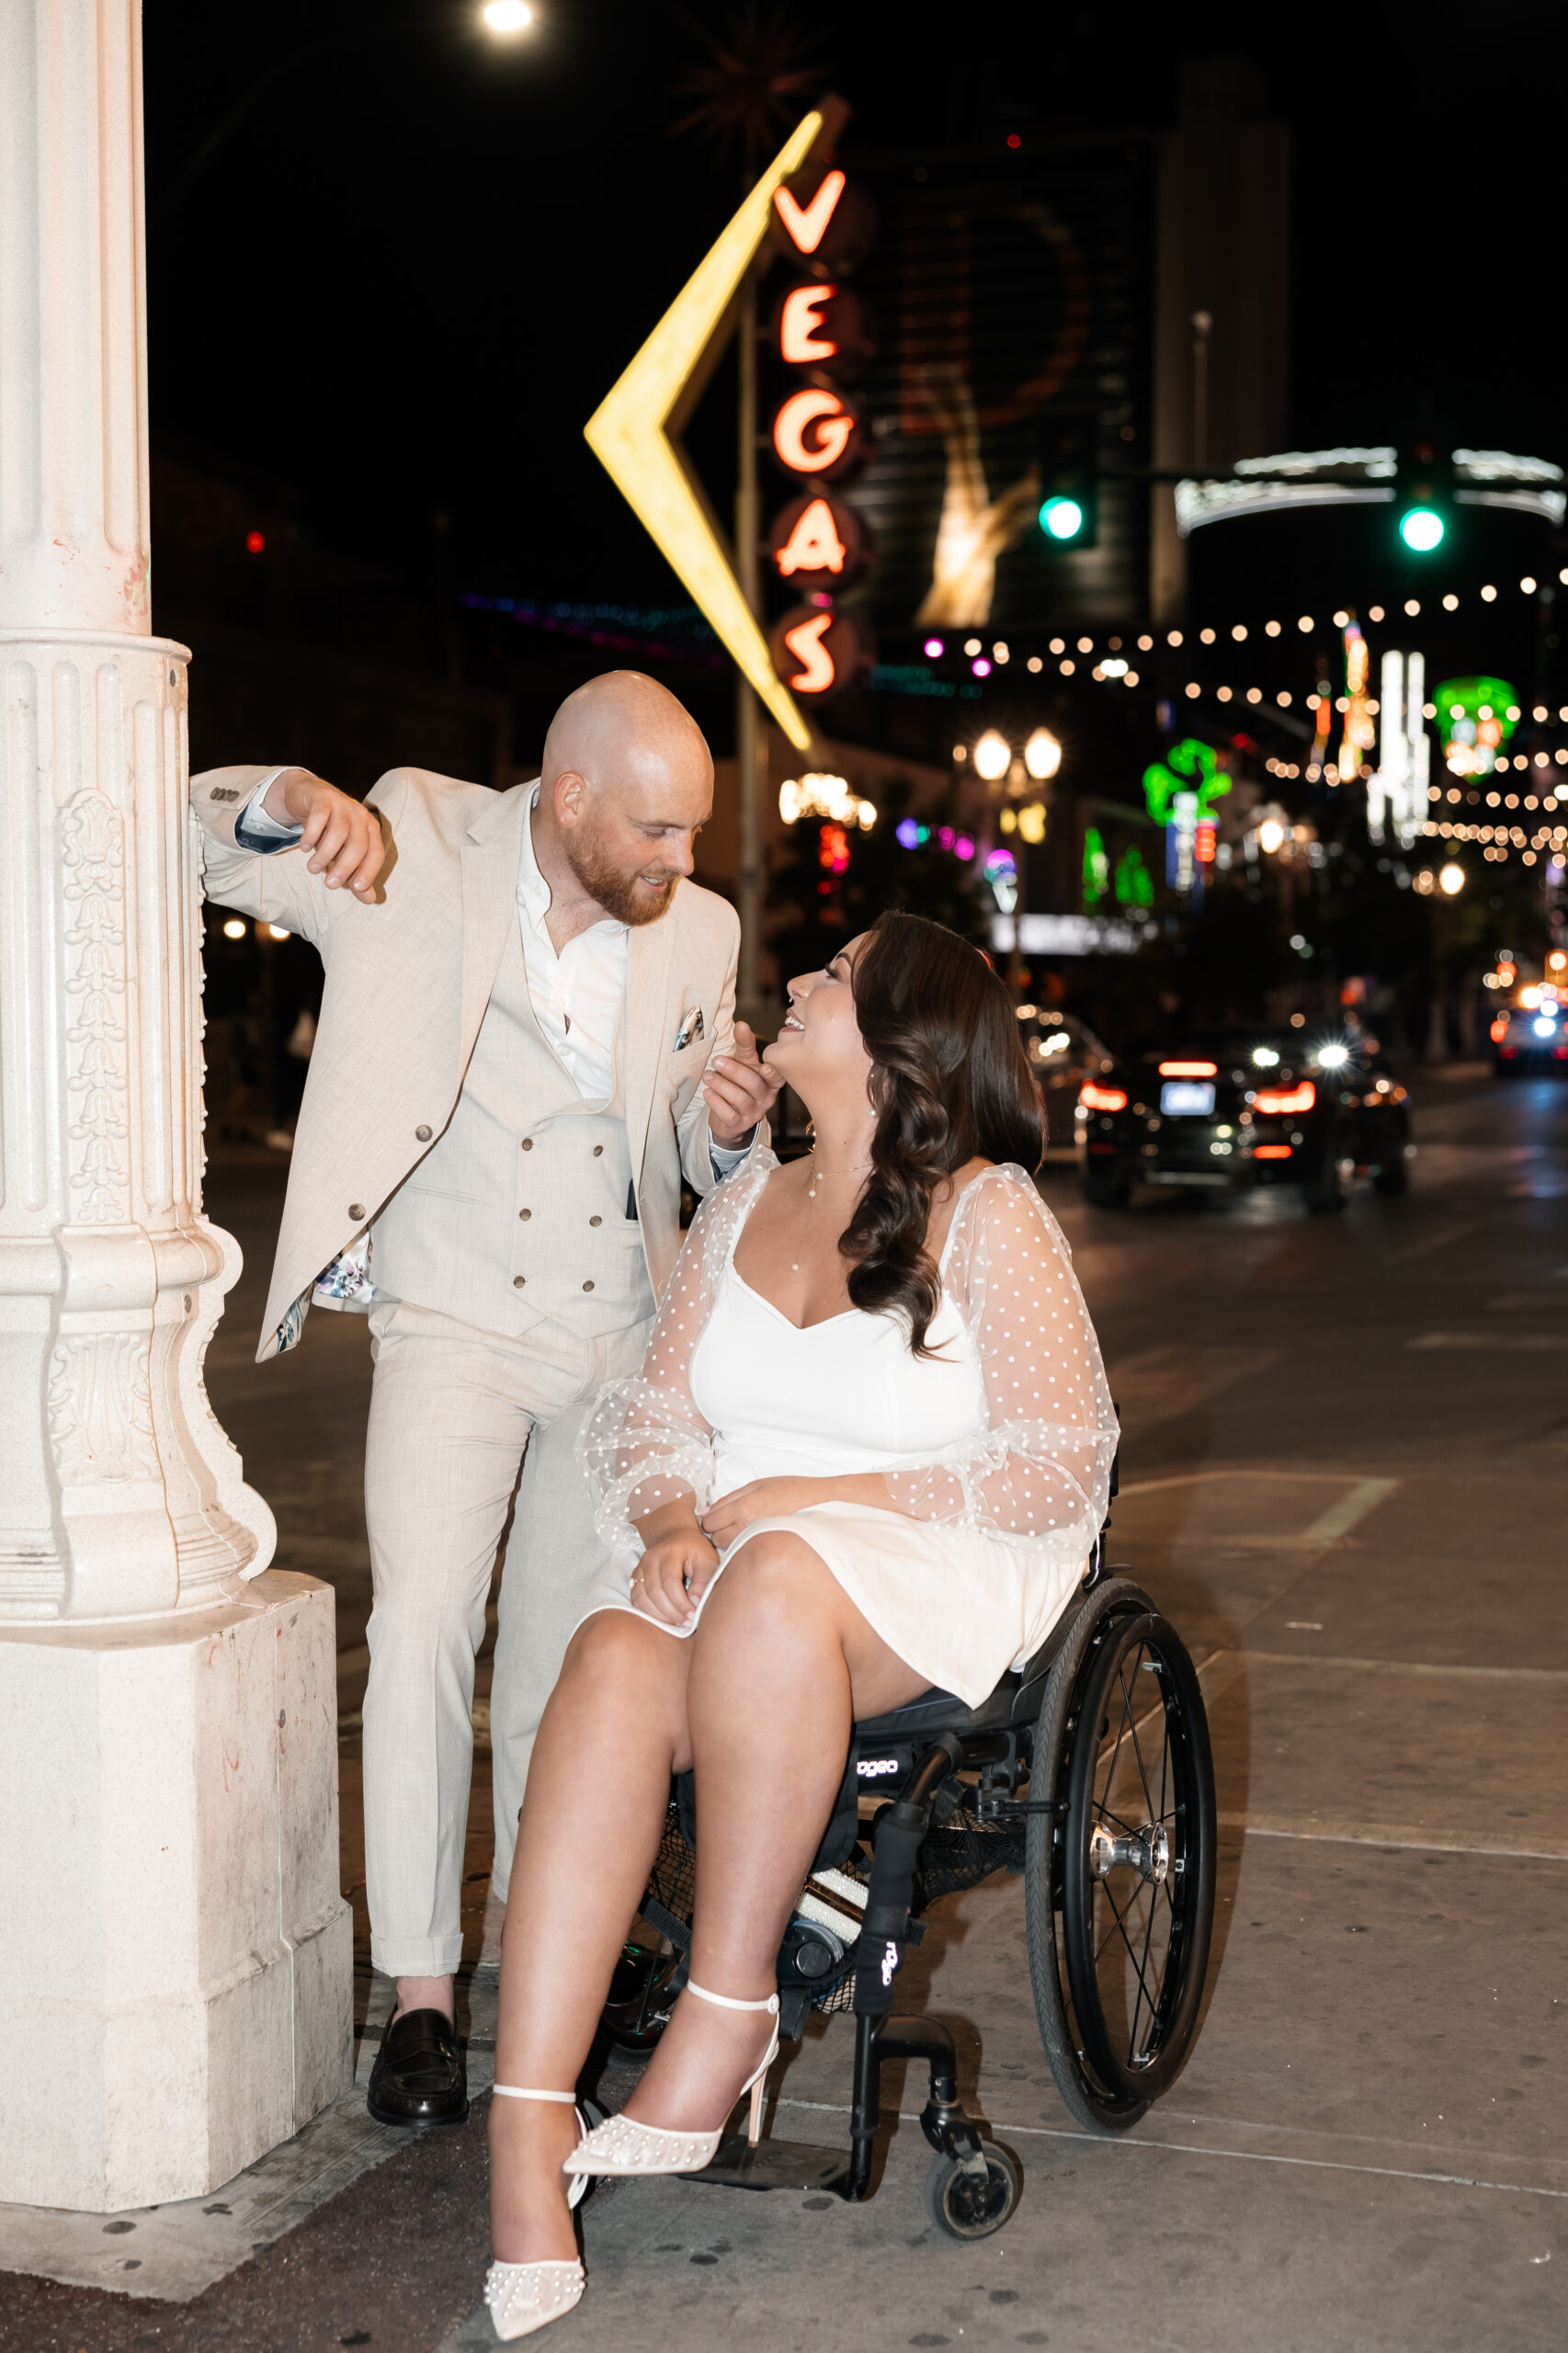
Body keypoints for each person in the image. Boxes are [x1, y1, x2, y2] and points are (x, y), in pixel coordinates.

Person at [482, 912, 1118, 2341]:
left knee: (775, 1576)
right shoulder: (737, 1209)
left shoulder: (987, 1212)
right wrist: (666, 1524)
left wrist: (805, 1496)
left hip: (937, 1560)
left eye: (828, 979)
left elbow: (1057, 1459)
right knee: (607, 1657)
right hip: (740, 1570)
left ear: (896, 1040)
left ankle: (728, 2004)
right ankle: (522, 2131)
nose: (797, 986)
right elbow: (651, 1420)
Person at [190, 672, 779, 2129]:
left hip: (615, 1337)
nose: (679, 860)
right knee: (420, 1639)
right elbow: (195, 845)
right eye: (655, 827)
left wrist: (726, 1136)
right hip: (449, 1316)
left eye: (691, 830)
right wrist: (279, 802)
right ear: (568, 800)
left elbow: (692, 1180)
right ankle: (419, 1998)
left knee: (568, 1682)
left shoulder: (696, 932)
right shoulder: (414, 842)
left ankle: (543, 1973)